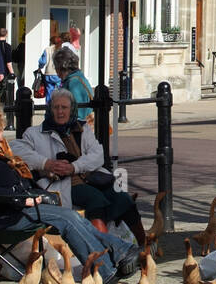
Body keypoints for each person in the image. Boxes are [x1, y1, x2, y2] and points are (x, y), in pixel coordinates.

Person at [0, 98, 137, 284]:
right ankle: (108, 267)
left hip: (18, 208)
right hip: (3, 216)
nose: (2, 131)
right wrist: (22, 200)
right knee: (68, 219)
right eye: (0, 126)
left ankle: (116, 255)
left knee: (72, 217)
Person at [15, 89, 147, 247]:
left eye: (64, 107)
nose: (60, 111)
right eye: (56, 107)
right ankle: (111, 252)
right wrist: (46, 163)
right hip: (63, 184)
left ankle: (144, 247)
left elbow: (98, 154)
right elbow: (16, 150)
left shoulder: (82, 129)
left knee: (122, 197)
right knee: (95, 199)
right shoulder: (34, 133)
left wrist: (74, 167)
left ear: (72, 110)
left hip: (90, 177)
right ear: (50, 110)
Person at [54, 48, 94, 122]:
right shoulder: (77, 78)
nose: (56, 73)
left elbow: (79, 114)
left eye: (56, 68)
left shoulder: (74, 83)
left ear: (61, 67)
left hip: (79, 129)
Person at [36, 30, 65, 94]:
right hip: (58, 74)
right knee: (59, 92)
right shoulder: (61, 49)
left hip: (48, 74)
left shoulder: (47, 49)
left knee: (49, 92)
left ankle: (49, 103)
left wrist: (39, 68)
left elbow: (42, 62)